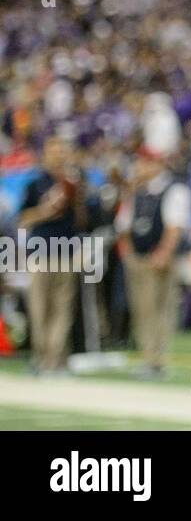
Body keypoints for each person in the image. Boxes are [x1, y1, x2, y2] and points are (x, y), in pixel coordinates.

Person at [116, 146, 191, 378]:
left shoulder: (174, 189)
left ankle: (157, 359)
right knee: (142, 310)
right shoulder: (137, 191)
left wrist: (164, 253)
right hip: (138, 259)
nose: (138, 168)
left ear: (156, 164)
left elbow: (175, 226)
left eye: (143, 163)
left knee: (161, 310)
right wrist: (128, 254)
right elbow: (123, 226)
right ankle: (148, 357)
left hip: (160, 259)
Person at [18, 137, 88, 375]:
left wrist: (76, 200)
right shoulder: (35, 184)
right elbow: (23, 218)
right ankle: (41, 357)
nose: (58, 156)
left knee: (63, 309)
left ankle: (57, 359)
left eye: (62, 152)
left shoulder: (73, 182)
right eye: (54, 151)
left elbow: (81, 222)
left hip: (66, 252)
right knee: (40, 309)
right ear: (45, 155)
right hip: (40, 252)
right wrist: (45, 211)